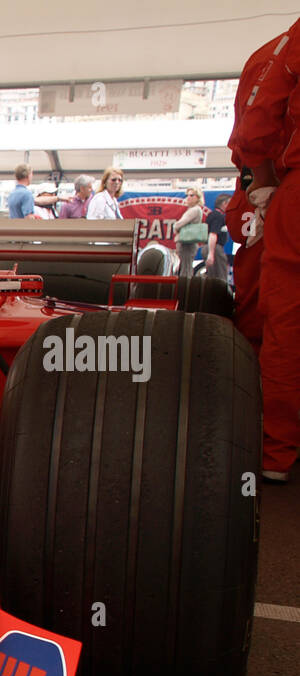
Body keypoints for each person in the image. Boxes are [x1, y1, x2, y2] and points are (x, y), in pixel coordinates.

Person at [230, 16, 300, 482]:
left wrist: (263, 187)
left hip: (278, 192)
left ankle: (275, 450)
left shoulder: (278, 48)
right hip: (272, 192)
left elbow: (254, 128)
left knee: (281, 319)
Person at [172, 187, 205, 277]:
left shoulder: (194, 210)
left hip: (187, 243)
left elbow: (180, 224)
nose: (188, 197)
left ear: (198, 197)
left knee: (185, 269)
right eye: (187, 195)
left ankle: (184, 288)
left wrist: (175, 227)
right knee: (186, 266)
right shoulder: (196, 209)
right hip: (188, 242)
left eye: (191, 195)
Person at [203, 193, 231, 284]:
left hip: (211, 248)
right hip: (215, 249)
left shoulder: (212, 215)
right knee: (220, 278)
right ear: (224, 204)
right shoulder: (218, 216)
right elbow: (213, 234)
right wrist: (211, 254)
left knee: (213, 278)